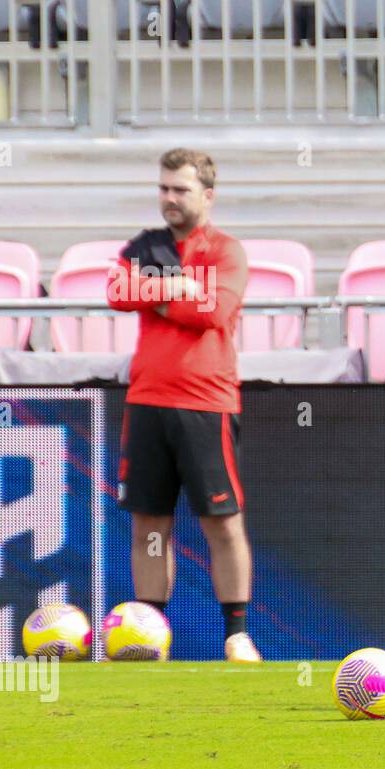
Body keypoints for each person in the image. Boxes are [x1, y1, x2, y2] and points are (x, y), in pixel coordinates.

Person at [106, 148, 262, 663]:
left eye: (181, 190)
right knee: (149, 524)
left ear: (208, 196)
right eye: (164, 188)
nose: (169, 198)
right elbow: (115, 291)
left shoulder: (226, 250)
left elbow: (214, 312)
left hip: (205, 402)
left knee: (222, 521)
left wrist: (151, 290)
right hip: (147, 399)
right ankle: (150, 638)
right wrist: (177, 285)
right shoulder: (144, 244)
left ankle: (237, 634)